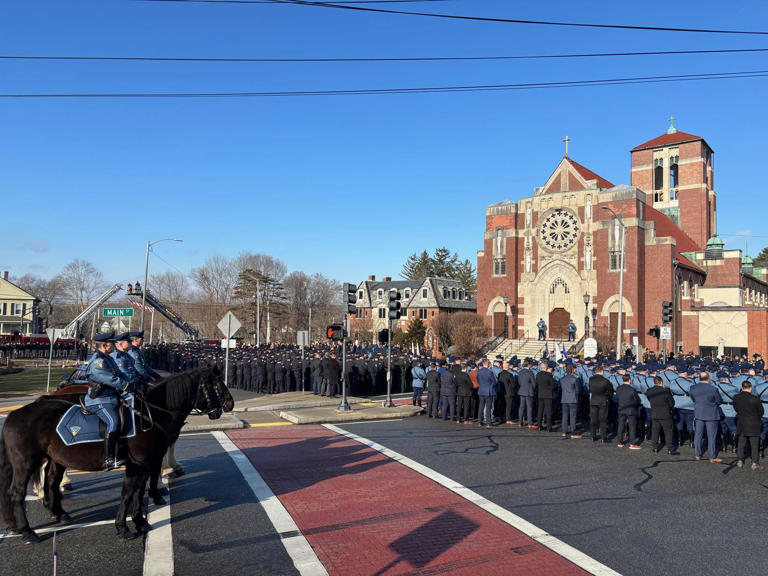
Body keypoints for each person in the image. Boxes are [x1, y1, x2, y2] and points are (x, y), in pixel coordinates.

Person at [84, 332, 133, 470]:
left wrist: (135, 383)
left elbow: (120, 374)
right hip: (99, 400)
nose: (114, 345)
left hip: (111, 398)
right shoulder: (98, 362)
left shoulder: (109, 358)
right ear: (105, 345)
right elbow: (111, 379)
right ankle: (109, 459)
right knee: (114, 422)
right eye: (112, 343)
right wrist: (127, 386)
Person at [690, 371, 723, 463]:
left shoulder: (693, 388)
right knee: (711, 436)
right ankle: (712, 457)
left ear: (699, 378)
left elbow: (693, 399)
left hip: (699, 413)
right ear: (708, 378)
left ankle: (697, 455)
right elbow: (719, 401)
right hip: (711, 414)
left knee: (698, 435)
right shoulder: (713, 389)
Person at [733, 380, 764, 470]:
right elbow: (761, 412)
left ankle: (740, 460)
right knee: (754, 444)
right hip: (753, 423)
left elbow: (736, 408)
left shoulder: (736, 397)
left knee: (741, 442)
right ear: (750, 388)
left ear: (742, 388)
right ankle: (754, 463)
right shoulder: (755, 398)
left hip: (741, 422)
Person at [645, 375, 678, 454]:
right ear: (661, 382)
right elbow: (672, 403)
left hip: (655, 412)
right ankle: (670, 449)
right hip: (665, 413)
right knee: (668, 431)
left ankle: (655, 448)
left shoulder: (649, 391)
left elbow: (649, 399)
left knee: (655, 431)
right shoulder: (665, 391)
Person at [615, 373, 642, 449]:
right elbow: (636, 400)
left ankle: (620, 442)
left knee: (621, 426)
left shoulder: (618, 388)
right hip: (631, 410)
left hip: (621, 408)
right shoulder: (632, 389)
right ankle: (632, 444)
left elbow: (618, 397)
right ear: (629, 380)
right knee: (632, 427)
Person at [589, 366, 612, 443]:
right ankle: (603, 437)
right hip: (603, 401)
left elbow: (590, 389)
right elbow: (610, 391)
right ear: (602, 371)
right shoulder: (605, 380)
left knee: (593, 419)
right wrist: (608, 397)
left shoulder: (591, 379)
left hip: (594, 400)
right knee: (603, 420)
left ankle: (593, 436)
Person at [559, 364, 581, 438]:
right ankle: (573, 431)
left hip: (564, 399)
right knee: (572, 416)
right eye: (575, 369)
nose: (576, 370)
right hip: (572, 399)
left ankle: (564, 432)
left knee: (564, 416)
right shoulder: (574, 379)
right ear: (572, 369)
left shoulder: (562, 379)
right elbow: (577, 390)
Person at [535, 361, 556, 432]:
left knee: (540, 410)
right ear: (546, 367)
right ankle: (549, 427)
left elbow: (537, 383)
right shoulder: (549, 375)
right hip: (548, 394)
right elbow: (553, 385)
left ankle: (539, 426)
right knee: (548, 410)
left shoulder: (538, 374)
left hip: (540, 394)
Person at [476, 359, 497, 427]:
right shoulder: (489, 372)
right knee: (488, 407)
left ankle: (479, 422)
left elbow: (478, 380)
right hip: (488, 391)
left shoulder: (478, 371)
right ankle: (488, 423)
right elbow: (494, 382)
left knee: (481, 407)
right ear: (487, 364)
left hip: (481, 390)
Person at [517, 359, 536, 428]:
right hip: (529, 391)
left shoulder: (520, 372)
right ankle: (530, 423)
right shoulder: (530, 373)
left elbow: (519, 382)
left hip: (522, 390)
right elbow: (534, 384)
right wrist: (532, 388)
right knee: (529, 408)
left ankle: (520, 422)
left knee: (521, 407)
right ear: (529, 365)